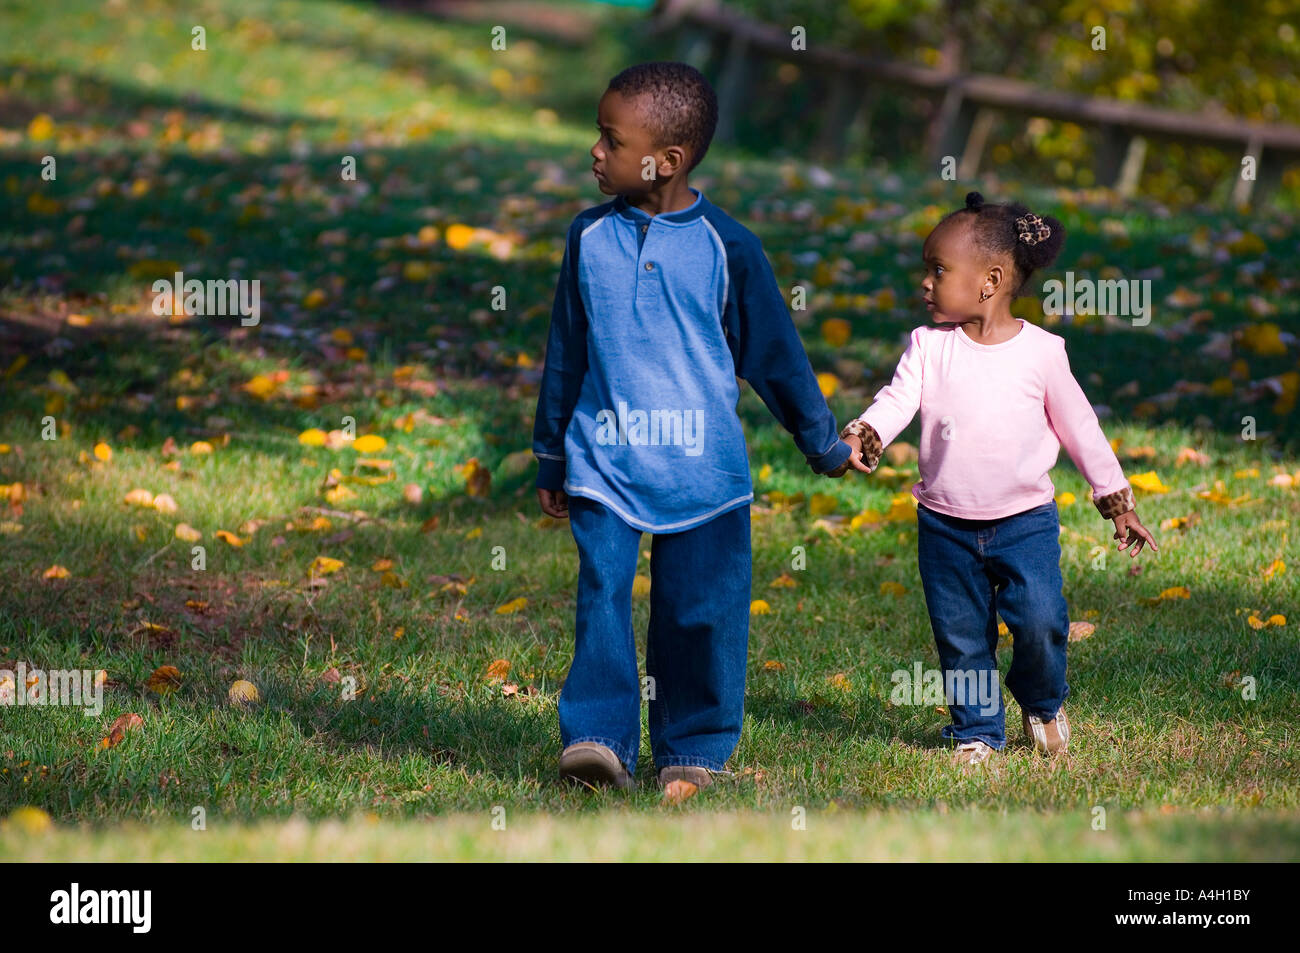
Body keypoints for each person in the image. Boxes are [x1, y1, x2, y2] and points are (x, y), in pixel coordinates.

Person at [532, 62, 852, 790]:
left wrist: (822, 441)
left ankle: (693, 746)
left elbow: (774, 354)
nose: (595, 152)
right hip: (604, 459)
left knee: (701, 612)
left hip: (703, 471)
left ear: (667, 161)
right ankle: (598, 738)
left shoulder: (728, 246)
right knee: (602, 597)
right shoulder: (587, 240)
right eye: (597, 135)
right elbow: (566, 354)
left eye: (611, 140)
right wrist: (552, 454)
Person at [835, 191, 1158, 765]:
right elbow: (896, 400)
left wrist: (1116, 500)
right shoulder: (928, 347)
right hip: (944, 526)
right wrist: (865, 432)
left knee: (1040, 622)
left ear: (991, 279)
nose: (926, 284)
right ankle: (978, 731)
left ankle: (1042, 700)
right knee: (961, 639)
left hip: (1025, 523)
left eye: (938, 270)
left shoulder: (1042, 353)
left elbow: (1081, 427)